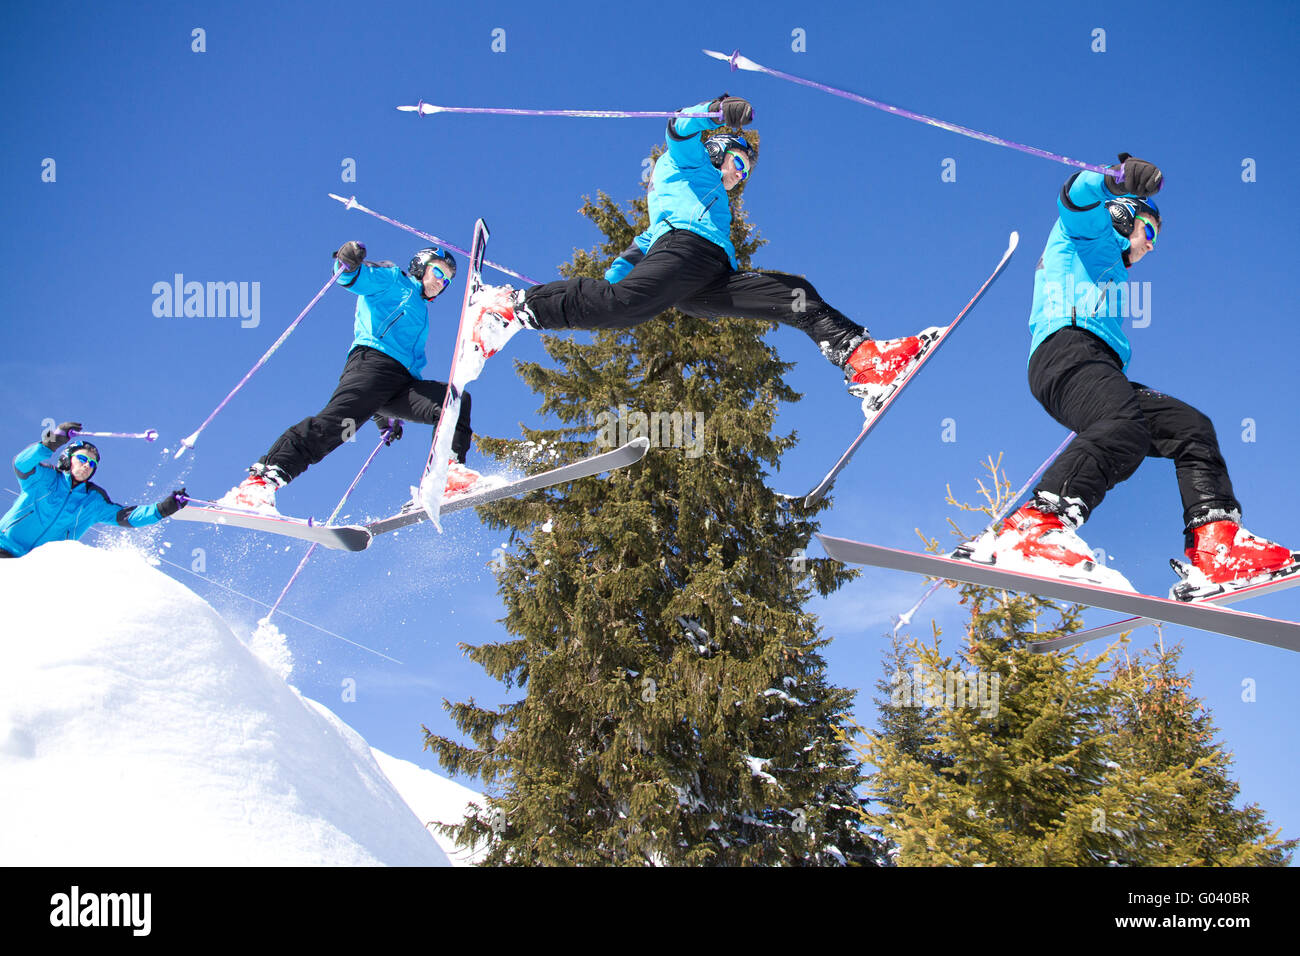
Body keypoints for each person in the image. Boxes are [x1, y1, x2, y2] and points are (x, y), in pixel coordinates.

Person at [457, 93, 942, 415]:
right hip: (687, 250)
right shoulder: (684, 162)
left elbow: (637, 248)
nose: (738, 175)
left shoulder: (705, 203)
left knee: (794, 293)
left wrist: (620, 273)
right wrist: (717, 108)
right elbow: (677, 127)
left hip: (707, 276)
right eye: (736, 161)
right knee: (620, 306)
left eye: (745, 172)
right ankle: (515, 308)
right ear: (717, 150)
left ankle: (864, 360)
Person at [972, 153, 1297, 598]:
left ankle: (1217, 547)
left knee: (1191, 428)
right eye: (1150, 232)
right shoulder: (1089, 235)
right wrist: (1113, 180)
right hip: (1064, 351)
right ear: (1124, 216)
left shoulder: (1109, 266)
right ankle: (1033, 528)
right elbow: (1074, 197)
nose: (1151, 246)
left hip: (1097, 365)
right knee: (1123, 428)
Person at [222, 243, 480, 512]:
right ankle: (259, 484)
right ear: (420, 265)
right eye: (439, 272)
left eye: (447, 280)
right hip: (373, 365)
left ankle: (448, 476)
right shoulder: (393, 279)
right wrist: (348, 262)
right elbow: (352, 277)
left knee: (454, 400)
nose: (442, 282)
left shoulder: (421, 308)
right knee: (336, 425)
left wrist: (385, 414)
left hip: (401, 382)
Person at [0, 423, 186, 558]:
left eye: (92, 464)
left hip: (37, 567)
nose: (87, 466)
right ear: (67, 459)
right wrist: (51, 442)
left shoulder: (93, 501)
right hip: (4, 547)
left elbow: (126, 516)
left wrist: (163, 509)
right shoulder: (45, 478)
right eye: (82, 459)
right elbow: (21, 464)